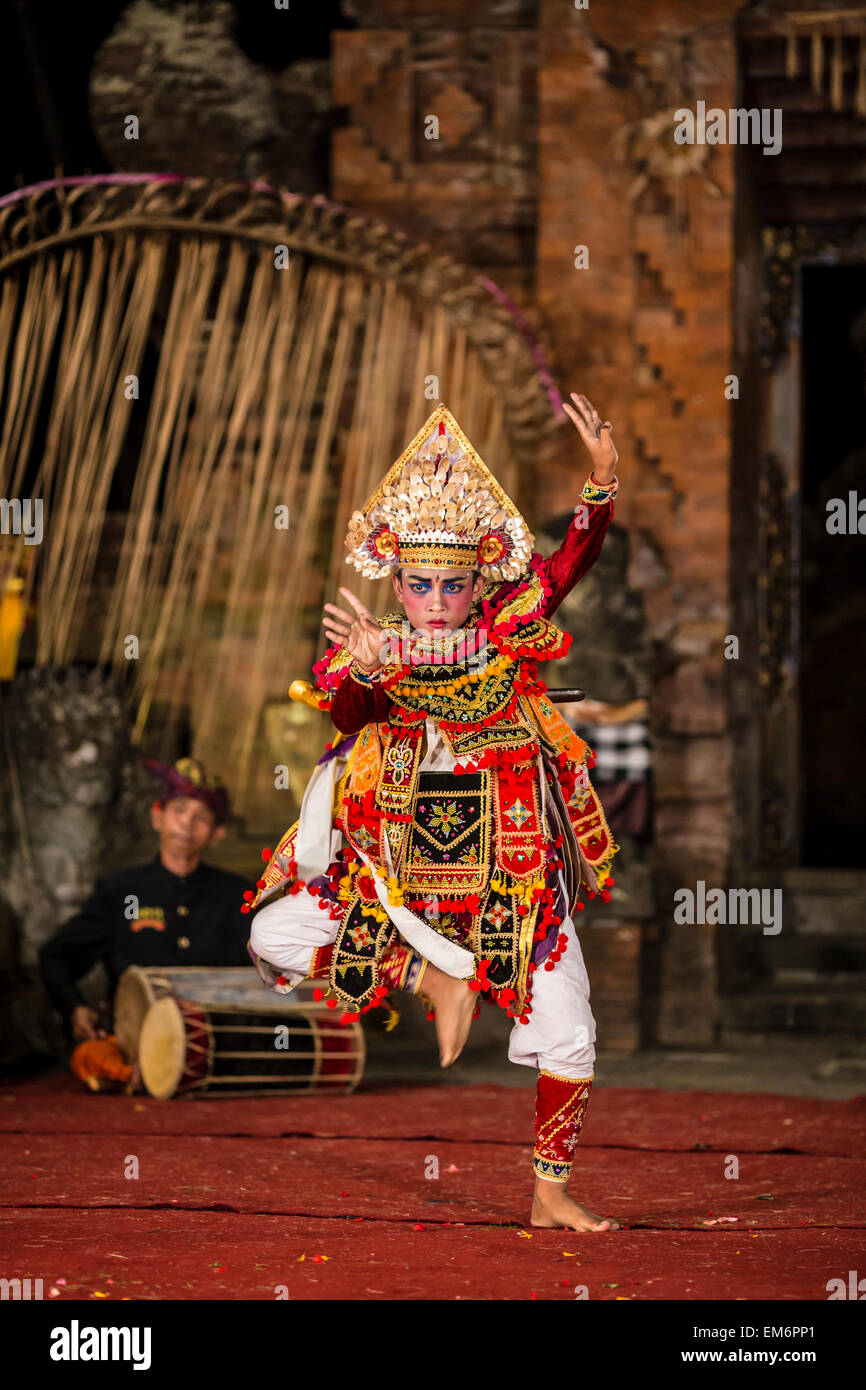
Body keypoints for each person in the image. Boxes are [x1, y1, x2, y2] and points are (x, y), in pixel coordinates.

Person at [245, 397, 622, 1233]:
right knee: (271, 933)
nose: (437, 601)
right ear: (396, 580)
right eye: (420, 584)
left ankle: (549, 1190)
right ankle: (434, 979)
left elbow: (569, 562)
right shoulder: (367, 648)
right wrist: (373, 676)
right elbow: (345, 716)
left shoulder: (506, 629)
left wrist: (599, 482)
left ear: (479, 581)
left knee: (572, 1035)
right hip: (400, 884)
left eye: (455, 585)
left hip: (510, 882)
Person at [39, 757, 251, 1050]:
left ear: (217, 834)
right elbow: (56, 955)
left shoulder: (239, 897)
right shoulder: (122, 891)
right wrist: (74, 1008)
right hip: (137, 1048)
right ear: (157, 816)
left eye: (201, 817)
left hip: (222, 1050)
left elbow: (271, 972)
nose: (187, 824)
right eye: (178, 810)